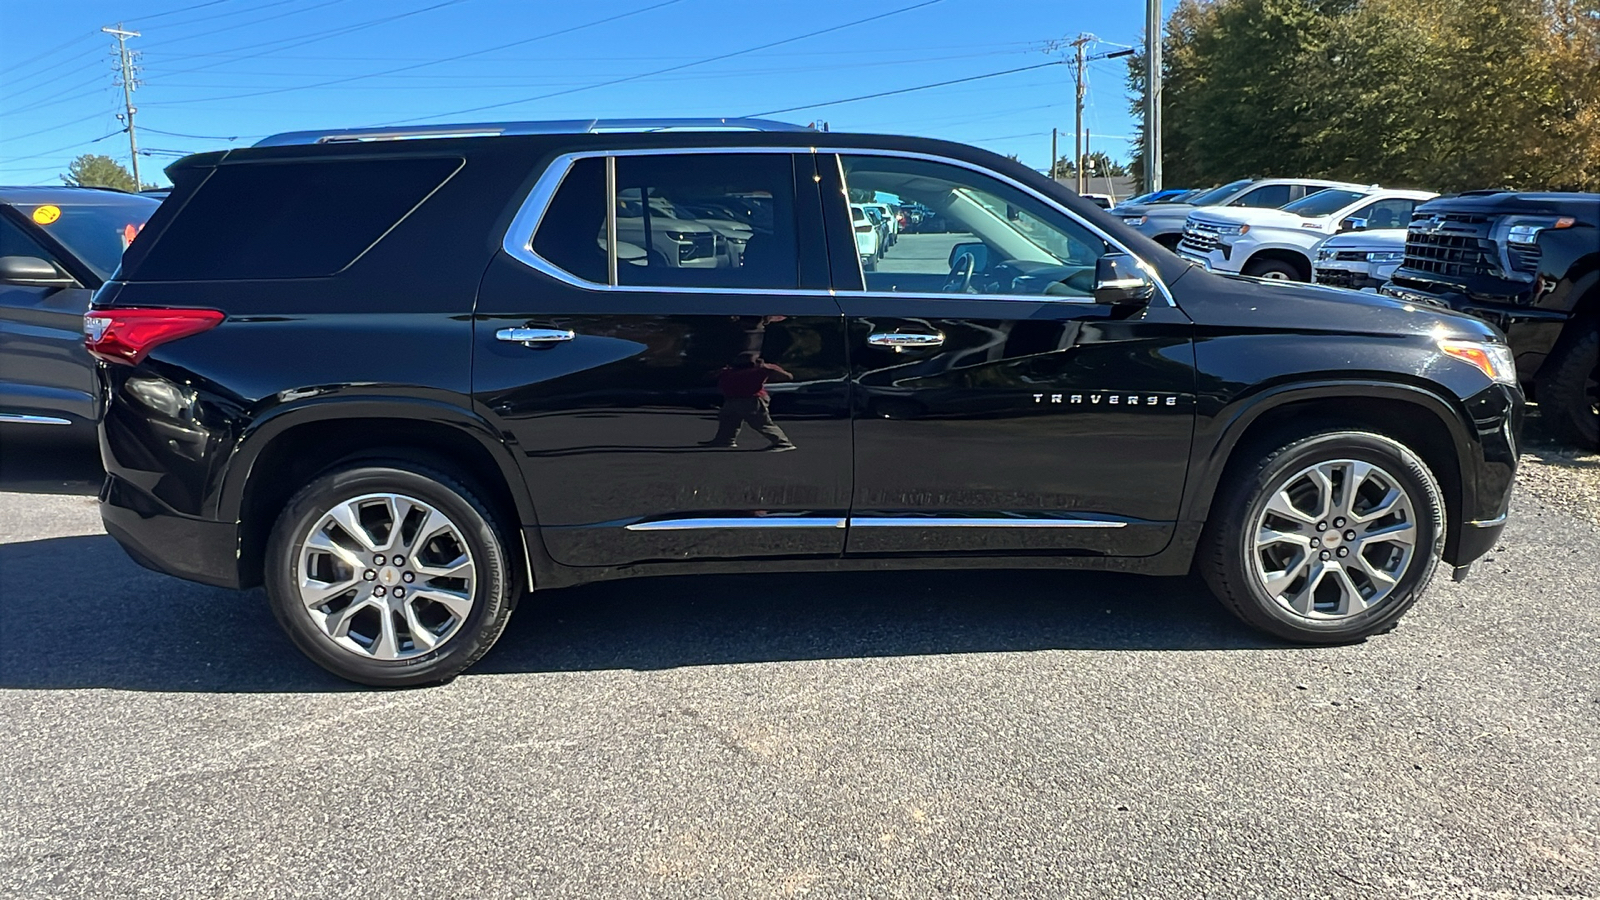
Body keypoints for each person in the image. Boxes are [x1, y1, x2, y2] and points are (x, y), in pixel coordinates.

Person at [700, 352, 797, 451]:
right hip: (732, 399)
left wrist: (766, 368)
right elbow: (709, 377)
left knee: (760, 422)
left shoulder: (762, 369)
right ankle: (724, 440)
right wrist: (720, 372)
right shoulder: (730, 370)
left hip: (752, 398)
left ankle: (782, 442)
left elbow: (788, 377)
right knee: (728, 420)